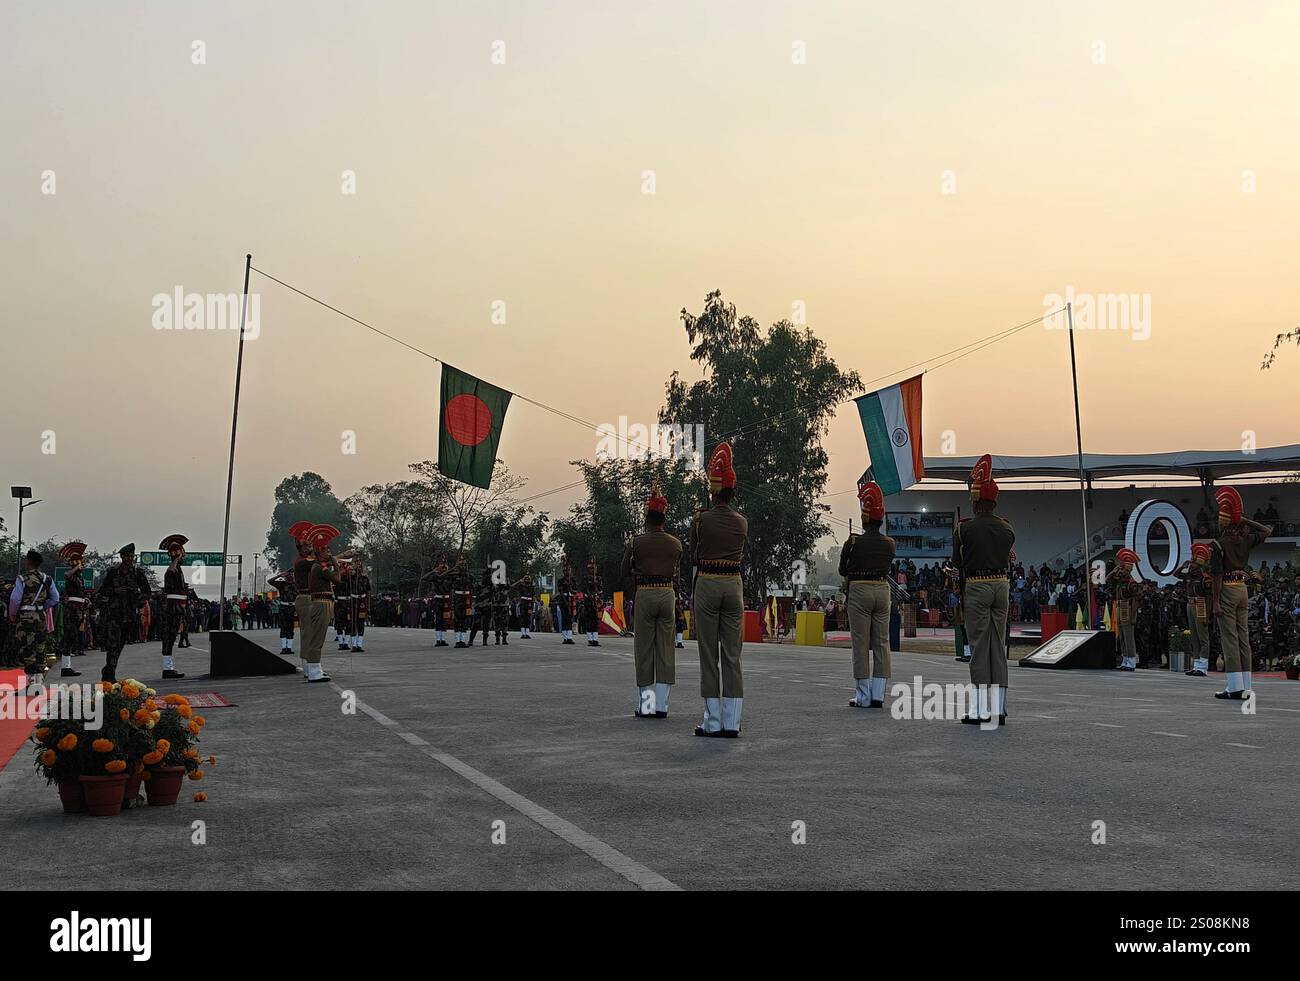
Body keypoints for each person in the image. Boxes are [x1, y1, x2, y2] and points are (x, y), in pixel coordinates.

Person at [691, 442, 748, 737]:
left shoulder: (701, 519)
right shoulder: (742, 522)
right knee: (732, 654)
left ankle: (712, 721)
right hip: (733, 586)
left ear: (713, 490)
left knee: (708, 654)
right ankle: (732, 722)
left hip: (708, 583)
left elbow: (694, 554)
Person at [953, 455, 1015, 725]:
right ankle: (999, 708)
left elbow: (958, 562)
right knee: (998, 646)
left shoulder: (964, 529)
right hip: (1002, 585)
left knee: (978, 646)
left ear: (977, 500)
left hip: (977, 586)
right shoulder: (1007, 528)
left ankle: (979, 709)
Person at [622, 481, 683, 718]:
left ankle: (646, 706)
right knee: (665, 650)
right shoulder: (675, 544)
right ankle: (662, 706)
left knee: (644, 650)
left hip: (645, 594)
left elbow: (623, 571)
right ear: (663, 520)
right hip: (667, 594)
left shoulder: (636, 542)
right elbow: (677, 573)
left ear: (647, 519)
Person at [1210, 486, 1271, 699]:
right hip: (1242, 589)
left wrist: (1215, 601)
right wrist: (1244, 520)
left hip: (1226, 589)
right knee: (1243, 637)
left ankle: (1234, 687)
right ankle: (1246, 685)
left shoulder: (1218, 545)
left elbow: (1217, 575)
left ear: (1223, 522)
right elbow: (1267, 531)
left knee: (1230, 638)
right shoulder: (1244, 540)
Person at [839, 481, 896, 709]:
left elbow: (843, 570)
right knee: (882, 643)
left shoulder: (853, 542)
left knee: (861, 643)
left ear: (864, 517)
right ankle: (879, 694)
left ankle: (862, 696)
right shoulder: (890, 544)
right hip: (882, 591)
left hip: (860, 590)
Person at [302, 524, 350, 683]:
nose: (329, 553)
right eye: (326, 550)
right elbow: (337, 580)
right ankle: (314, 671)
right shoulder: (320, 568)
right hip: (321, 604)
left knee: (316, 637)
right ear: (318, 552)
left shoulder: (319, 567)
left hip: (322, 602)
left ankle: (315, 668)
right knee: (317, 638)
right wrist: (336, 564)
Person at [95, 544, 150, 683]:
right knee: (113, 644)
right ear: (122, 557)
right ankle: (110, 673)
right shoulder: (113, 572)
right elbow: (102, 591)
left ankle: (108, 668)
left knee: (120, 644)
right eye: (127, 556)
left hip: (130, 614)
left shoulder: (138, 573)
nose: (130, 559)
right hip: (114, 614)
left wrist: (138, 599)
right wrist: (115, 591)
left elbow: (147, 592)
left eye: (132, 556)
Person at [8, 549, 59, 676]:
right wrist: (41, 606)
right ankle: (39, 683)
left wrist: (13, 615)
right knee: (40, 648)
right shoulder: (48, 579)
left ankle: (31, 685)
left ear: (29, 562)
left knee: (27, 649)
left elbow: (15, 599)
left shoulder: (22, 578)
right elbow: (55, 598)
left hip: (26, 617)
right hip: (41, 616)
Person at [155, 534, 191, 679]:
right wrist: (176, 558)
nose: (183, 557)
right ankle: (167, 668)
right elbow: (170, 571)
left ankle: (168, 667)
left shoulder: (179, 570)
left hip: (179, 607)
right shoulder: (172, 569)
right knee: (169, 638)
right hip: (172, 608)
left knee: (172, 636)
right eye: (181, 554)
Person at [1173, 543, 1212, 676]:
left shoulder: (1204, 578)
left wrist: (1207, 615)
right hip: (1190, 604)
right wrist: (1182, 566)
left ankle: (1203, 666)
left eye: (1193, 562)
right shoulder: (1189, 575)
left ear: (1199, 564)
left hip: (1201, 605)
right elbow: (1176, 574)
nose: (1190, 565)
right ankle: (1196, 665)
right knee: (1194, 636)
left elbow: (1209, 598)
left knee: (1203, 637)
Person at [57, 541, 89, 677]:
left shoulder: (79, 578)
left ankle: (67, 666)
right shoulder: (71, 576)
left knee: (74, 636)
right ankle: (65, 667)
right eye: (81, 563)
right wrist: (77, 567)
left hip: (79, 609)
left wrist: (85, 600)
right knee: (69, 636)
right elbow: (66, 575)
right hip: (72, 610)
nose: (83, 566)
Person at [1110, 548, 1140, 672]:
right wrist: (1114, 570)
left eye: (1122, 570)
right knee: (1122, 636)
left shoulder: (1131, 583)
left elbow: (1135, 601)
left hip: (1127, 609)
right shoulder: (1120, 582)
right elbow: (1107, 579)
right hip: (1120, 607)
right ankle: (1125, 659)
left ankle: (1131, 660)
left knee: (1128, 636)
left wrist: (1133, 617)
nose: (1120, 572)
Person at [288, 521, 315, 657]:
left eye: (311, 544)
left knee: (312, 634)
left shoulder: (308, 559)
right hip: (305, 598)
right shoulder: (302, 561)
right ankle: (309, 667)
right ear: (300, 547)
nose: (310, 547)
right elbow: (322, 562)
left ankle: (311, 666)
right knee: (307, 634)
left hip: (311, 598)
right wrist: (342, 557)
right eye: (307, 545)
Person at [451, 554, 473, 648]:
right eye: (461, 564)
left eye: (464, 564)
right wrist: (454, 568)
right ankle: (457, 640)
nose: (463, 566)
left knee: (464, 620)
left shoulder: (469, 576)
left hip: (466, 598)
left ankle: (462, 640)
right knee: (457, 619)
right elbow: (443, 575)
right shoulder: (454, 575)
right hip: (457, 597)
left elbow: (472, 586)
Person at [581, 557, 604, 646]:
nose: (593, 570)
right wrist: (589, 595)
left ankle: (595, 638)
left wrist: (598, 596)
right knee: (589, 620)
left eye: (594, 568)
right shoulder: (586, 578)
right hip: (588, 602)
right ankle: (590, 638)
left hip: (596, 601)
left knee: (595, 620)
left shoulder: (598, 578)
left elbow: (601, 589)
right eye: (591, 568)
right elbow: (584, 589)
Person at [431, 555, 452, 647]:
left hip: (446, 600)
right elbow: (423, 578)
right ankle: (438, 639)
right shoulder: (435, 576)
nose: (444, 566)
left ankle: (443, 639)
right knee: (438, 620)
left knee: (445, 620)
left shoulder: (449, 576)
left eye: (445, 564)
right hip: (438, 599)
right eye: (441, 564)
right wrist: (433, 571)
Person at [556, 558, 578, 645]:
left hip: (571, 600)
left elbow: (576, 590)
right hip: (564, 601)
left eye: (568, 570)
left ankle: (569, 637)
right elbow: (560, 591)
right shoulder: (561, 580)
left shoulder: (572, 580)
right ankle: (565, 637)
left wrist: (571, 589)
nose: (567, 572)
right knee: (565, 618)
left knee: (570, 618)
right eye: (565, 570)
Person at [334, 559, 353, 651]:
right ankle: (341, 642)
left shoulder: (350, 580)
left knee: (349, 623)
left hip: (348, 603)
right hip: (339, 603)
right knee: (339, 624)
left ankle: (346, 642)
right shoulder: (336, 578)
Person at [513, 574, 535, 639]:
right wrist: (519, 581)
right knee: (523, 618)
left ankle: (527, 633)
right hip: (523, 603)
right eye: (525, 579)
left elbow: (533, 595)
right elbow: (513, 587)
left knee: (528, 618)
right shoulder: (521, 586)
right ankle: (523, 633)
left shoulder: (532, 586)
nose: (527, 580)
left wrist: (532, 603)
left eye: (528, 579)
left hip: (530, 604)